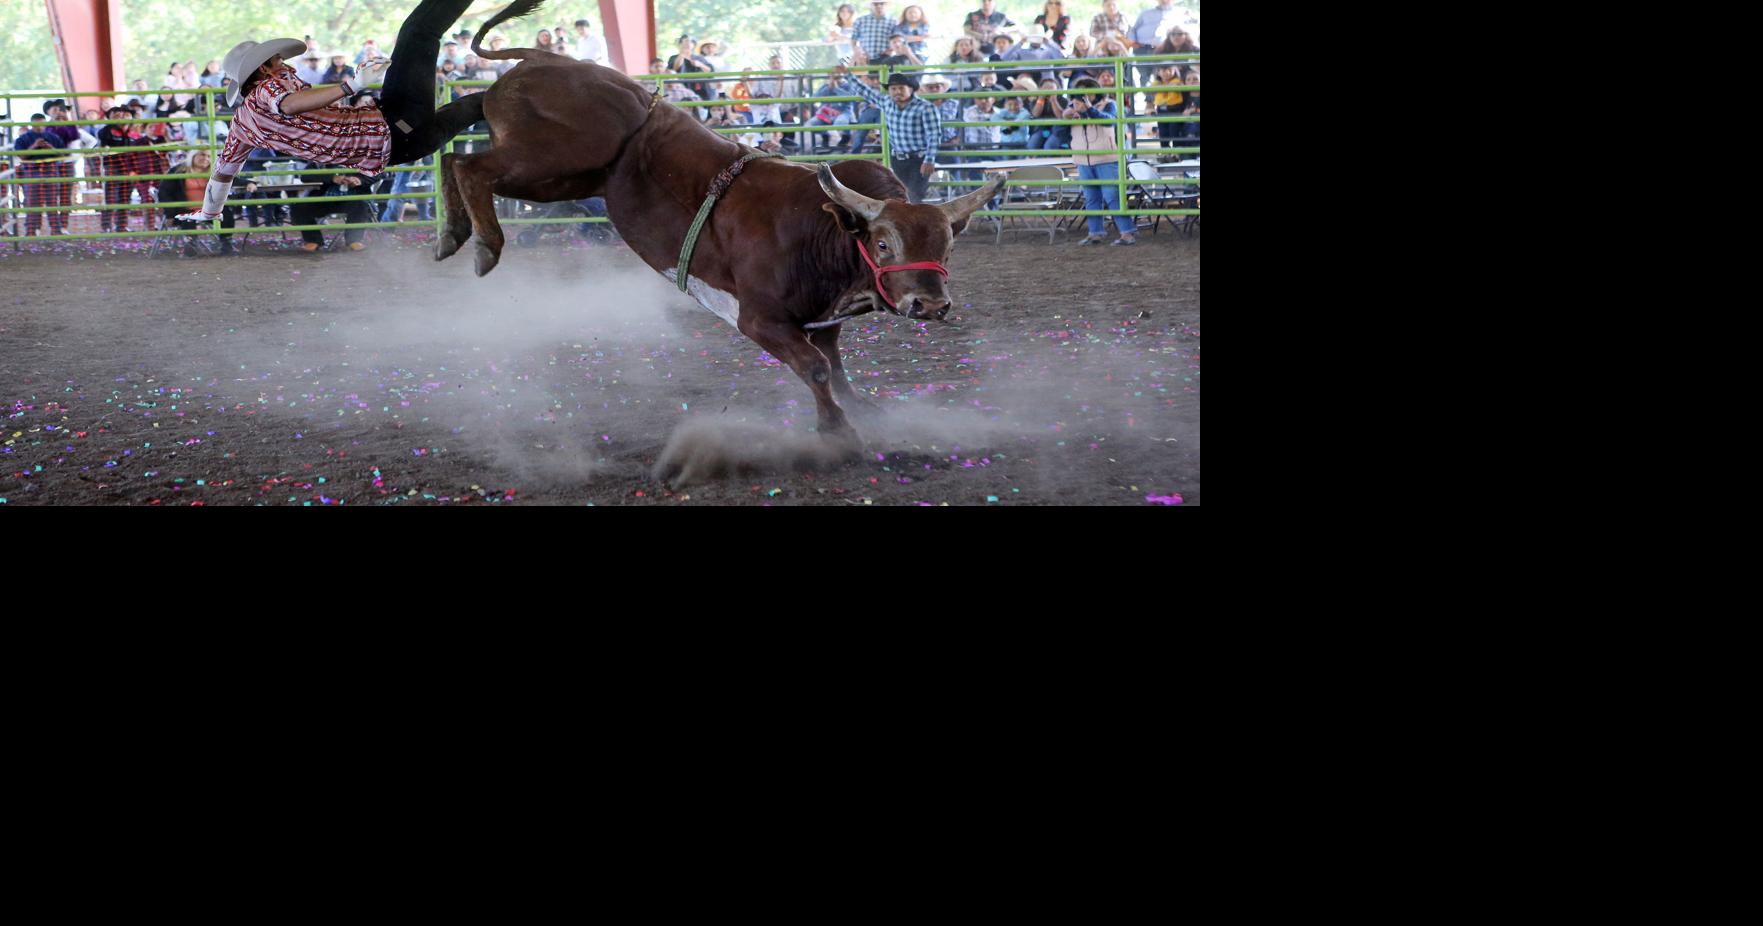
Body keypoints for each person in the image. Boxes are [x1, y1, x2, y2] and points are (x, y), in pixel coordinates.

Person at [176, 1, 489, 226]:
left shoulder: (242, 124)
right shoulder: (267, 89)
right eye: (276, 59)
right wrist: (351, 85)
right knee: (418, 31)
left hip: (403, 142)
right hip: (395, 126)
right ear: (263, 69)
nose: (284, 63)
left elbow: (223, 173)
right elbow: (289, 104)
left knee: (481, 104)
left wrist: (209, 212)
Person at [846, 71, 941, 203]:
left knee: (914, 195)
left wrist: (929, 160)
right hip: (898, 159)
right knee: (901, 195)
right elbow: (865, 91)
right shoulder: (887, 102)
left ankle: (914, 215)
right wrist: (847, 74)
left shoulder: (926, 108)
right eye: (893, 89)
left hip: (919, 159)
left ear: (911, 89)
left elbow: (934, 135)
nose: (897, 92)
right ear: (889, 91)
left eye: (901, 88)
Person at [1064, 77, 1134, 245]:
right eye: (1080, 92)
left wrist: (1088, 109)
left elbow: (1109, 120)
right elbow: (1060, 132)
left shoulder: (1109, 104)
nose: (1084, 95)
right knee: (1091, 198)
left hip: (1106, 157)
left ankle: (1127, 233)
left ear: (1096, 92)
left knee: (1113, 196)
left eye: (1087, 91)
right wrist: (1065, 116)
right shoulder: (1072, 109)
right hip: (1083, 158)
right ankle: (1095, 233)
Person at [159, 150, 245, 254]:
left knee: (226, 213)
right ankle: (190, 244)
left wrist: (249, 183)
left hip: (208, 209)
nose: (205, 158)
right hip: (185, 209)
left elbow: (232, 179)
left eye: (209, 156)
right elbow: (164, 193)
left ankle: (226, 243)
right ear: (193, 156)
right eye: (202, 155)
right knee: (187, 218)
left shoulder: (215, 170)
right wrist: (169, 214)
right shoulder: (178, 170)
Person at [289, 165, 373, 251]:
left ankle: (354, 240)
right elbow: (305, 176)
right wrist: (331, 177)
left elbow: (377, 174)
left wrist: (360, 180)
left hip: (353, 198)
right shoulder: (320, 160)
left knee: (361, 205)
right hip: (324, 199)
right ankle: (313, 241)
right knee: (299, 206)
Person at [1128, 0, 1185, 89]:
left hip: (1164, 51)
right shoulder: (1145, 13)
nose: (1164, 1)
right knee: (1144, 76)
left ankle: (1161, 97)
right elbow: (1133, 29)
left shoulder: (1178, 14)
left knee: (1162, 75)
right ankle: (1148, 97)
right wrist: (1133, 42)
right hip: (1143, 49)